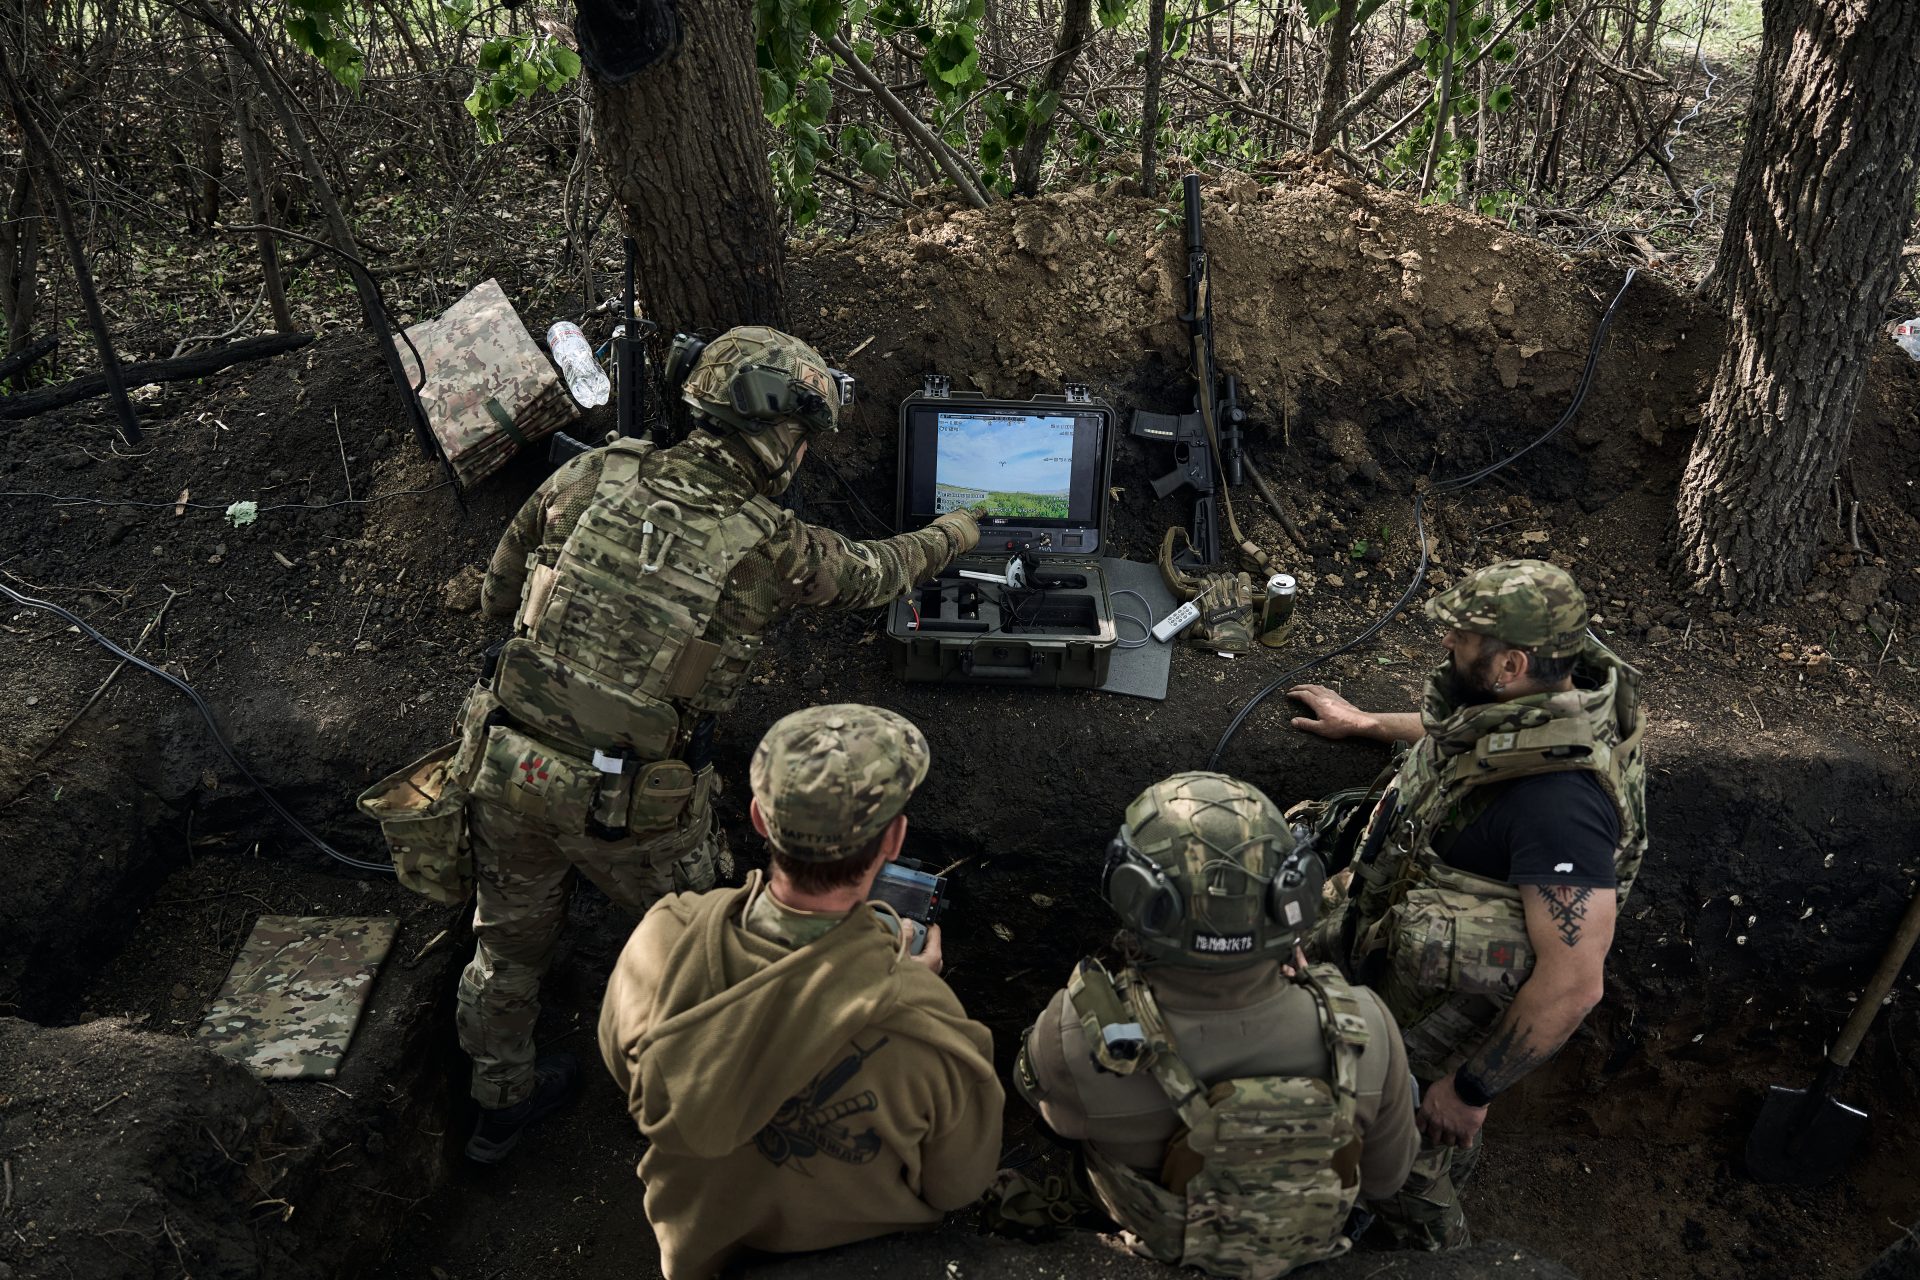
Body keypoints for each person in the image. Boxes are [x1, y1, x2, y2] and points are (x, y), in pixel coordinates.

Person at [443, 326, 984, 1162]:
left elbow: (497, 596)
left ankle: (498, 1105)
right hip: (630, 808)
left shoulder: (593, 471)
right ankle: (733, 1115)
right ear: (783, 436)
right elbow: (875, 573)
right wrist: (958, 533)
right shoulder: (768, 543)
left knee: (505, 951)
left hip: (506, 764)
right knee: (729, 955)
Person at [1288, 558, 1648, 1251]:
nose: (1447, 648)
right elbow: (1479, 743)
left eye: (1462, 640)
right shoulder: (1544, 698)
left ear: (1511, 663)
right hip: (1396, 952)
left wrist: (1470, 1090)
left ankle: (1439, 1255)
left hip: (1439, 1027)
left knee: (1406, 1162)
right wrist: (1366, 724)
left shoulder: (1561, 811)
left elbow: (1575, 981)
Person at [597, 704, 1004, 1278]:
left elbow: (624, 1069)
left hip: (703, 1252)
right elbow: (958, 1185)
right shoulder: (929, 1027)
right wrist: (904, 983)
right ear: (894, 837)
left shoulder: (661, 940)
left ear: (759, 819)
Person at [1013, 771, 1419, 1278]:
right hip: (1304, 1246)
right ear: (1290, 892)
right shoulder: (1366, 1027)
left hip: (1154, 1250)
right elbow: (1385, 1179)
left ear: (1132, 893)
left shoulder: (1074, 1035)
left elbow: (1053, 1116)